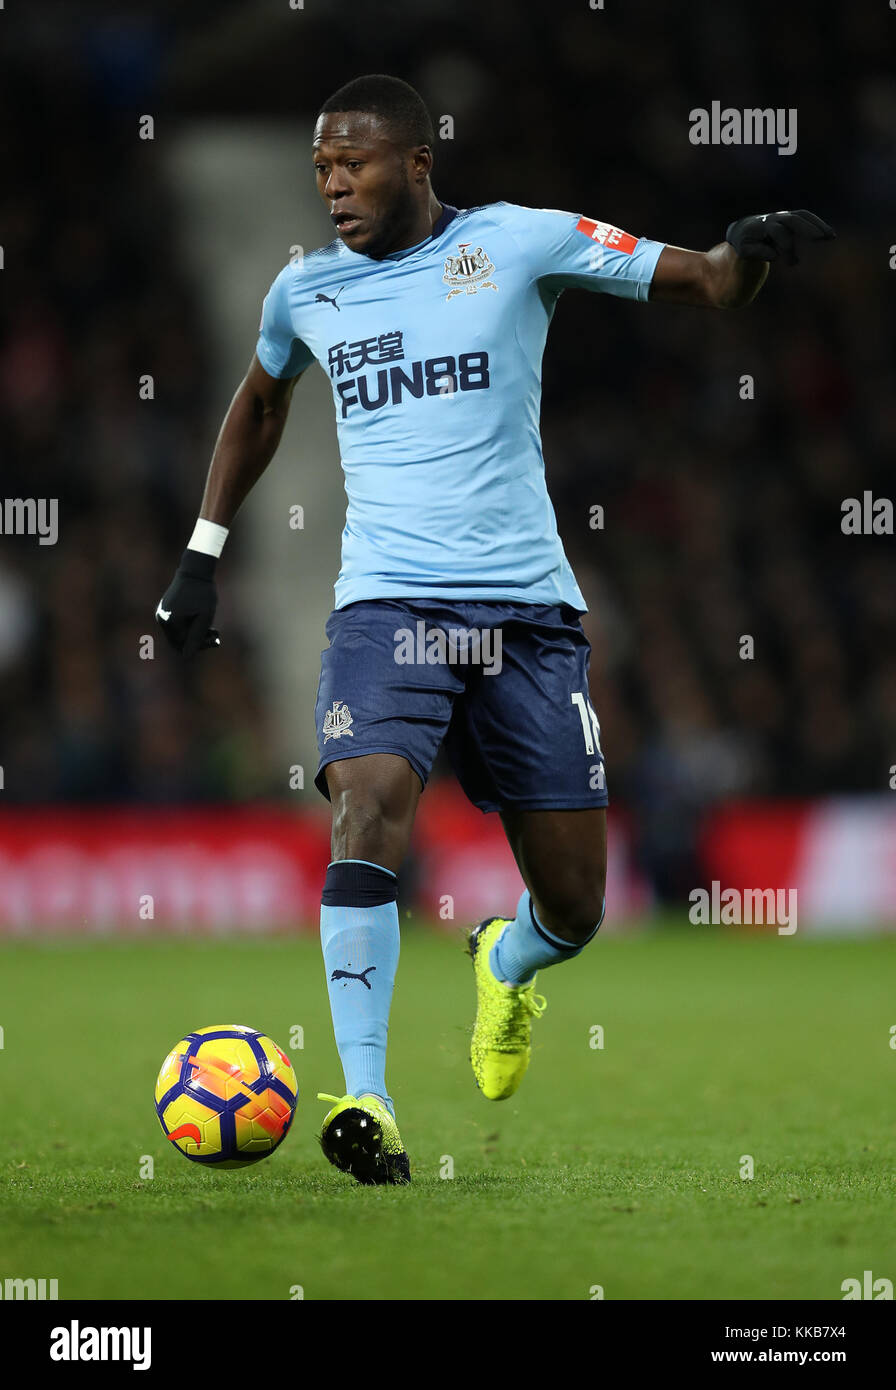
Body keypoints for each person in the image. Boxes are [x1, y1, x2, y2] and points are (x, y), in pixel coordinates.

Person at [156, 73, 833, 1185]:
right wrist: (200, 552)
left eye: (352, 163)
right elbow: (261, 403)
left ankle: (503, 959)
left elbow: (709, 282)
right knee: (366, 803)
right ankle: (366, 1098)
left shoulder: (520, 243)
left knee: (574, 902)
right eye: (319, 167)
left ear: (417, 162)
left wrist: (742, 248)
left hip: (525, 614)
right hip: (385, 605)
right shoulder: (305, 293)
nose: (331, 185)